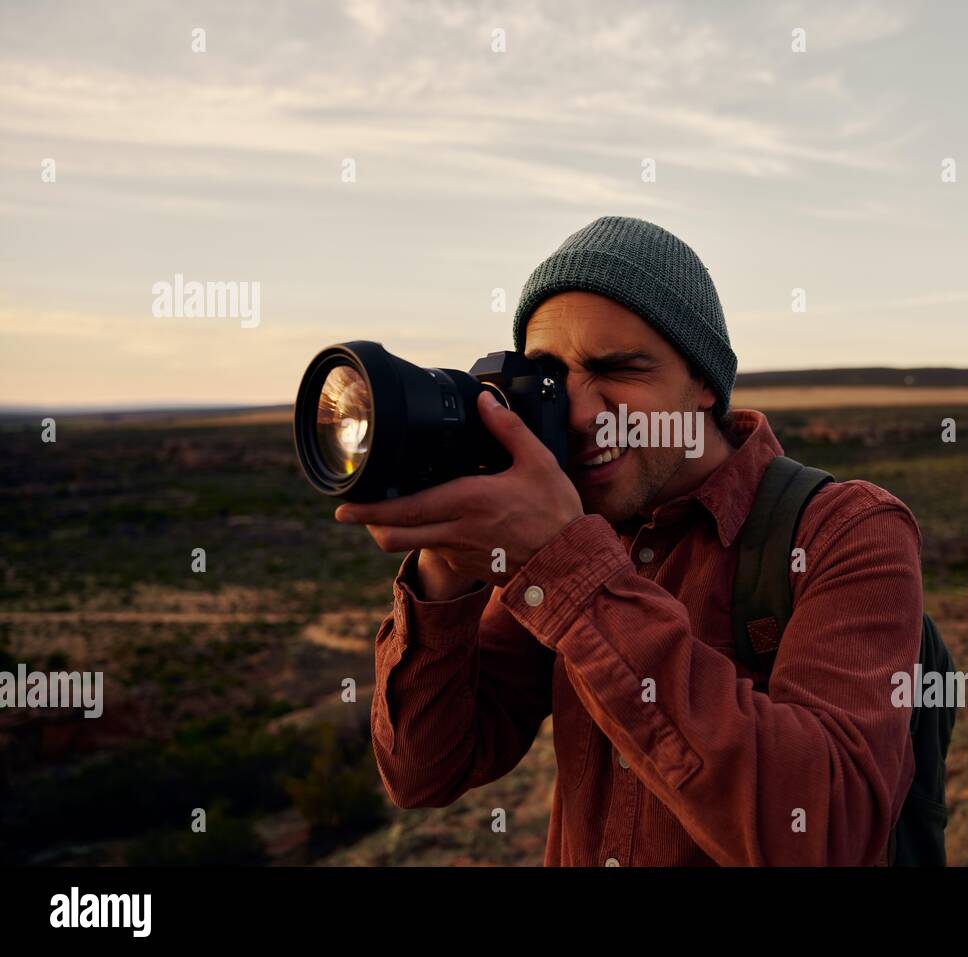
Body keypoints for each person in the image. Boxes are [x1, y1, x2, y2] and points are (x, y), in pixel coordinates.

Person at [335, 215, 924, 865]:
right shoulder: (571, 525)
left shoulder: (847, 530)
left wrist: (572, 573)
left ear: (703, 384)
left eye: (619, 369)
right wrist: (449, 565)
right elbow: (425, 771)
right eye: (553, 380)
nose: (585, 413)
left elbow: (828, 835)